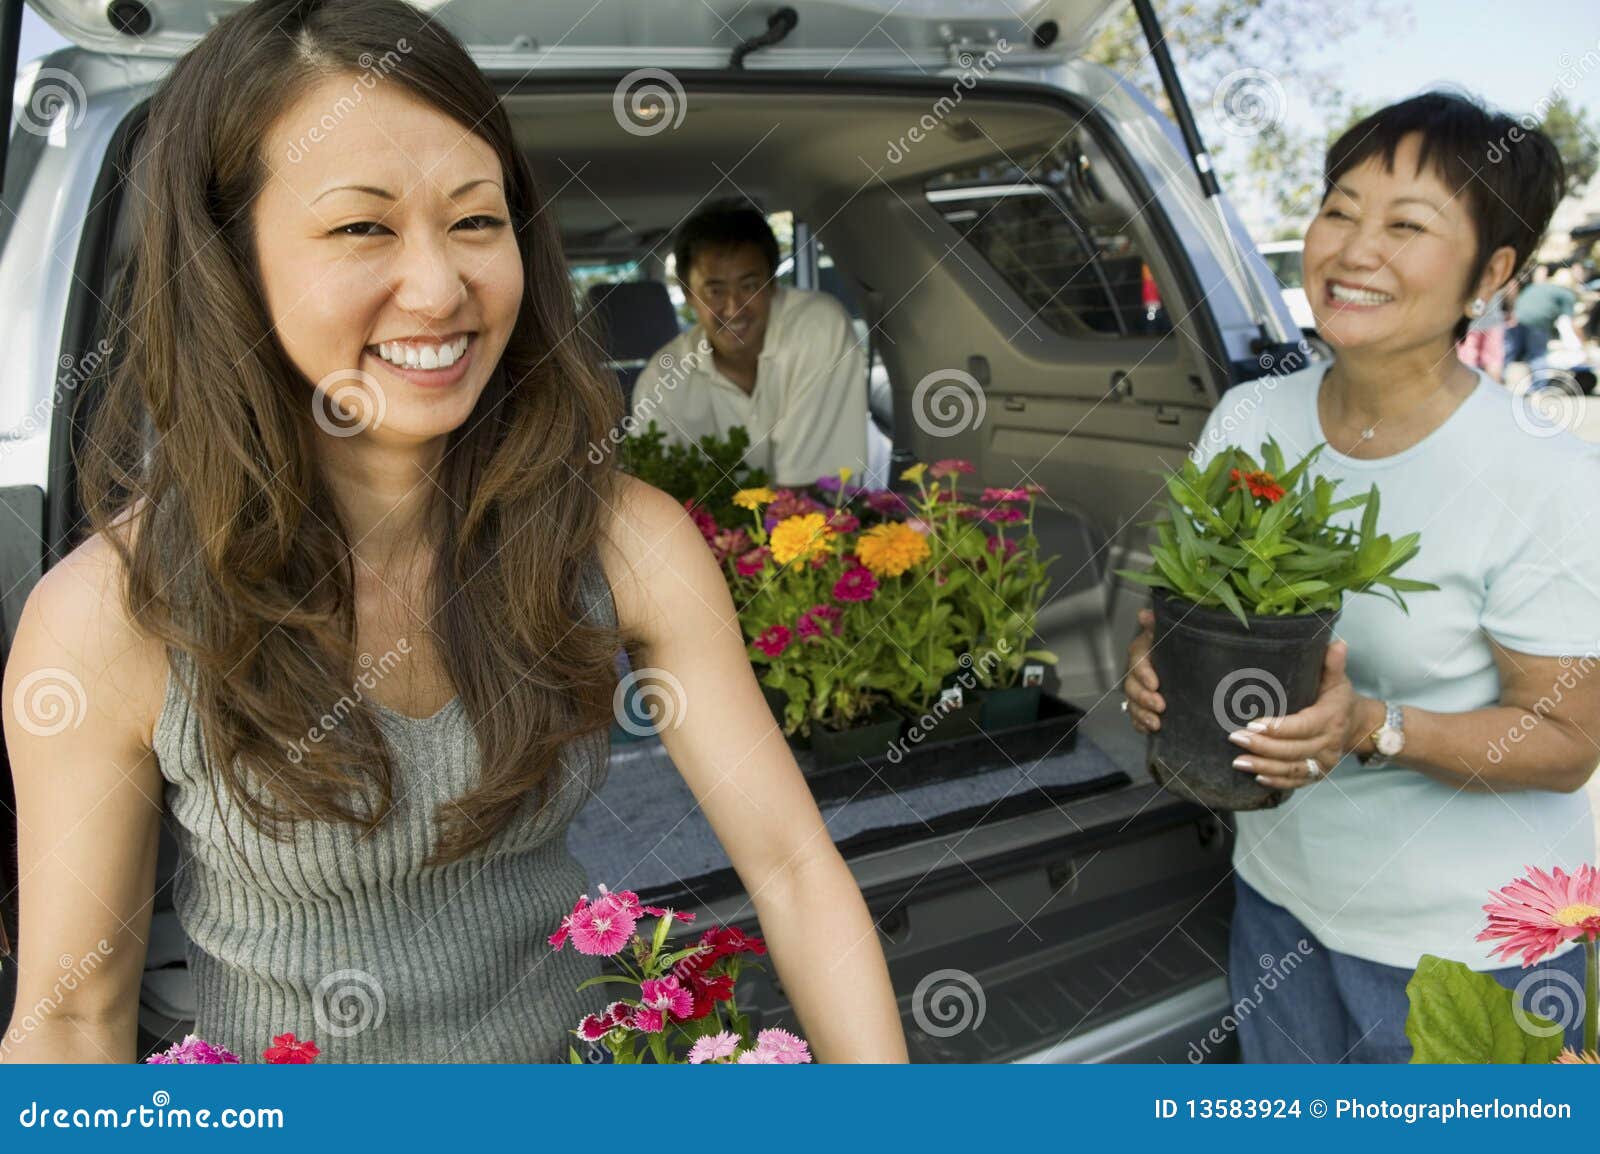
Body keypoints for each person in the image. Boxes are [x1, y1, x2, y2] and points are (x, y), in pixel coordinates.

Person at [1, 0, 907, 1064]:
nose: (440, 287)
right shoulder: (108, 615)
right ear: (230, 261)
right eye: (362, 226)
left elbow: (795, 864)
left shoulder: (624, 535)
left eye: (477, 221)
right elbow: (69, 1017)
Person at [1122, 92, 1600, 1063]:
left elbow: (1565, 741)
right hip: (1282, 898)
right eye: (1339, 208)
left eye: (1406, 224)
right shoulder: (1253, 418)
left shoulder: (1540, 472)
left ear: (1491, 272)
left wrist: (1371, 724)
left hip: (1469, 949)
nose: (1353, 247)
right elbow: (1185, 604)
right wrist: (1150, 659)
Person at [630, 199, 874, 487]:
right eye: (715, 290)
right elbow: (649, 492)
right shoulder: (662, 379)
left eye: (749, 286)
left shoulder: (817, 327)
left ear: (772, 284)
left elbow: (813, 490)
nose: (734, 308)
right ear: (688, 295)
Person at [1510, 262, 1580, 372]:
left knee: (1511, 352)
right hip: (1537, 323)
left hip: (1517, 318)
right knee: (1538, 355)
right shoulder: (1566, 294)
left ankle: (1498, 382)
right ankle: (1540, 385)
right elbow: (1567, 322)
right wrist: (1579, 343)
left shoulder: (1539, 287)